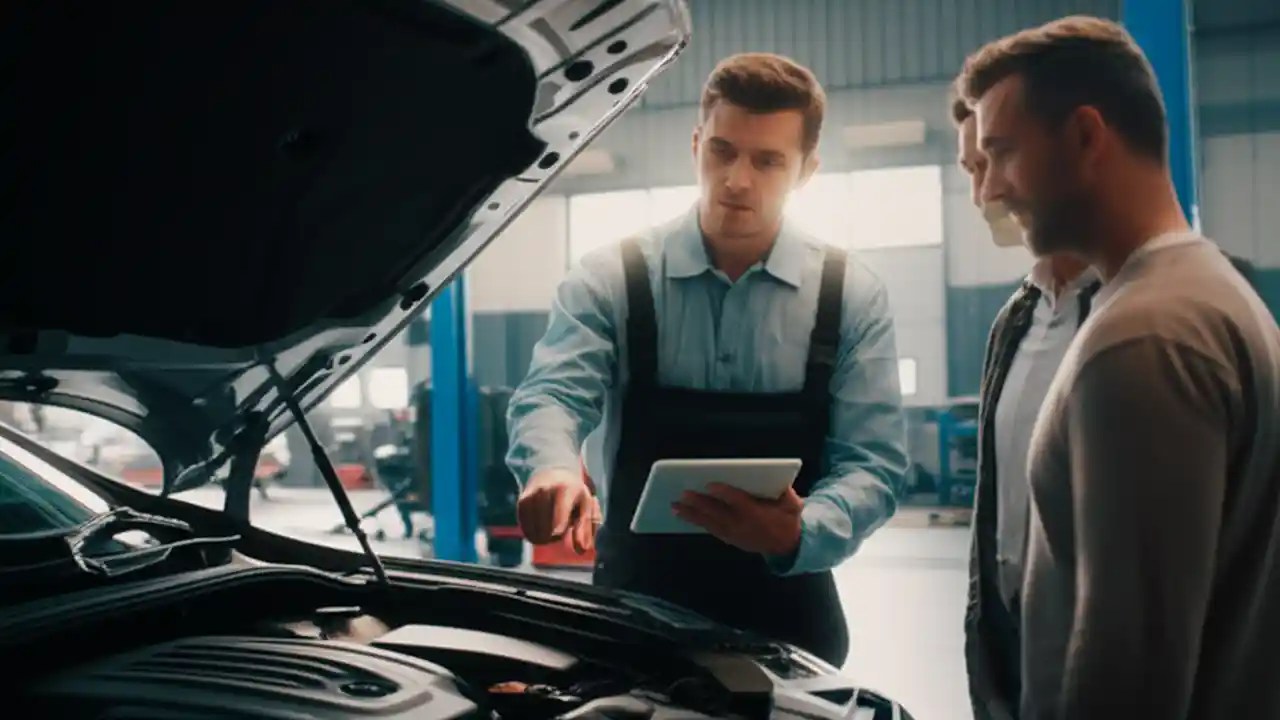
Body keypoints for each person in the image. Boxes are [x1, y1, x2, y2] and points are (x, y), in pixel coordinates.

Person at [505, 52, 909, 666]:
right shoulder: (610, 278)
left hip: (791, 621)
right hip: (635, 616)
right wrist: (552, 468)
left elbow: (873, 462)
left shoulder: (850, 295)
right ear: (696, 144)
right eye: (722, 150)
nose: (738, 179)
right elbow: (554, 395)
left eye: (768, 160)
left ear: (807, 170)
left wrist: (807, 528)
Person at [957, 15, 1280, 719]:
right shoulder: (1202, 297)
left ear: (1084, 137)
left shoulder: (1142, 339)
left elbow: (1127, 679)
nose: (988, 192)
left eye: (1002, 153)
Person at [950, 92, 1099, 720]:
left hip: (1105, 654)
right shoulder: (1016, 318)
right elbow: (996, 519)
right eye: (971, 173)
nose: (983, 194)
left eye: (994, 162)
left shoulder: (1137, 310)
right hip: (1012, 653)